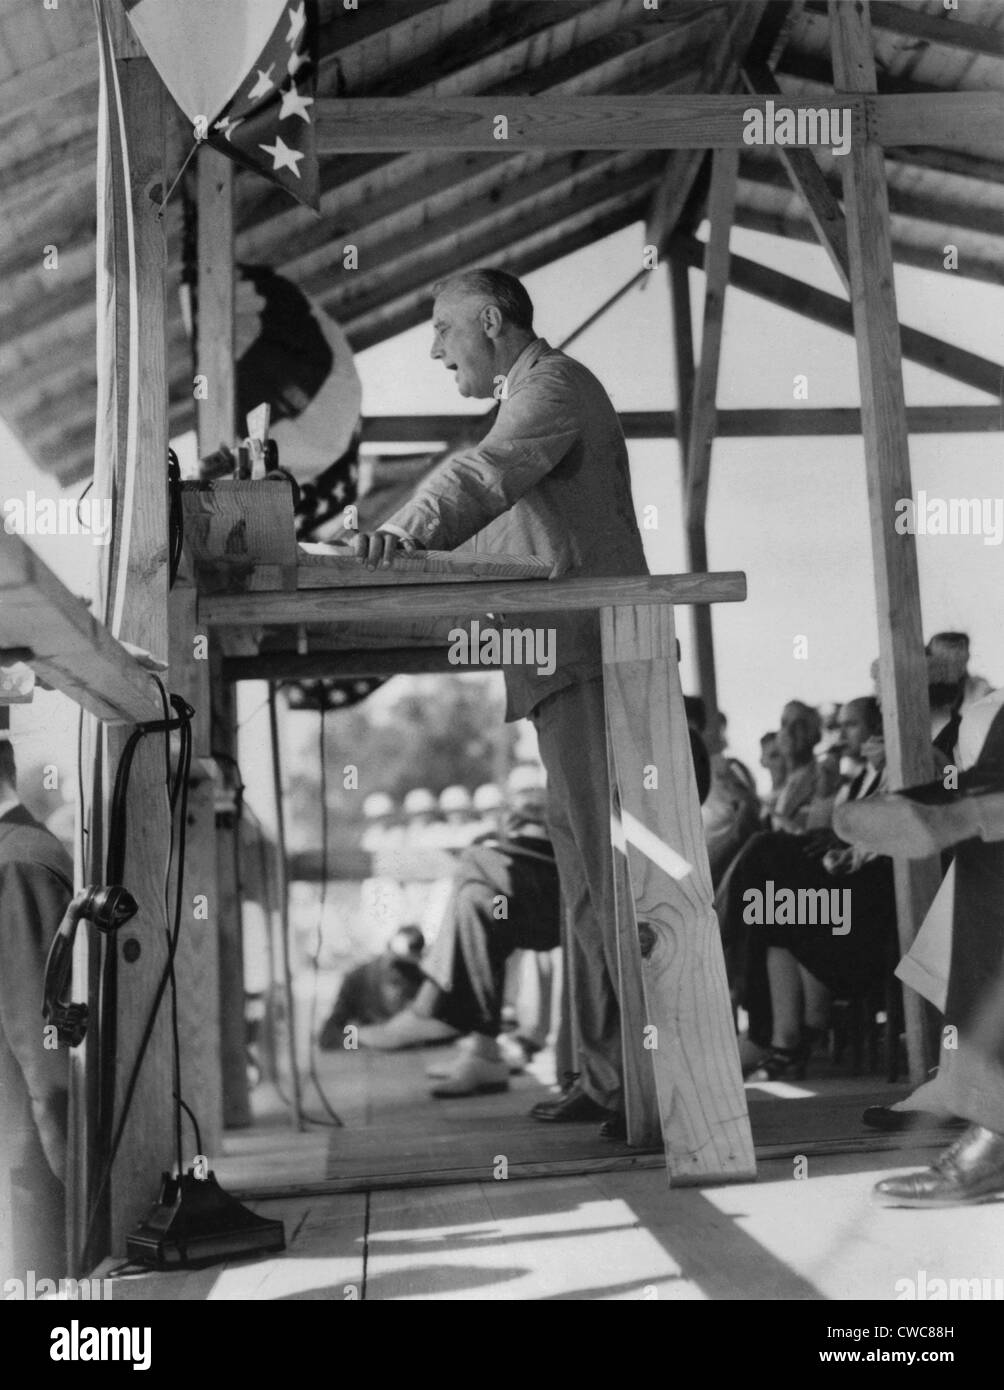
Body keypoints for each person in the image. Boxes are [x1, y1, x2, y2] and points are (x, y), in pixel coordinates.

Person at [351, 268, 649, 1131]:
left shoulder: (551, 388)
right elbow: (487, 507)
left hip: (590, 660)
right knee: (587, 887)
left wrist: (401, 533)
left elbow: (482, 476)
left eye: (445, 331)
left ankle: (641, 1082)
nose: (436, 350)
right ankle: (606, 1077)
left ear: (492, 321)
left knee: (605, 878)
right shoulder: (529, 400)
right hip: (560, 666)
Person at [355, 776, 561, 1097]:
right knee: (479, 901)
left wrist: (536, 818)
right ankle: (484, 1054)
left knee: (475, 857)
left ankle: (432, 1007)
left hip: (569, 901)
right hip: (517, 909)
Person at [0, 736, 74, 1285]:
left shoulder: (16, 861)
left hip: (30, 1178)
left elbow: (41, 1054)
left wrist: (71, 1174)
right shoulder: (22, 848)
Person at [317, 926, 425, 1050]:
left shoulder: (420, 982)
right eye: (397, 964)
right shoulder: (357, 980)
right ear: (387, 951)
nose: (399, 973)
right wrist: (363, 1039)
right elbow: (329, 1035)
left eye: (408, 969)